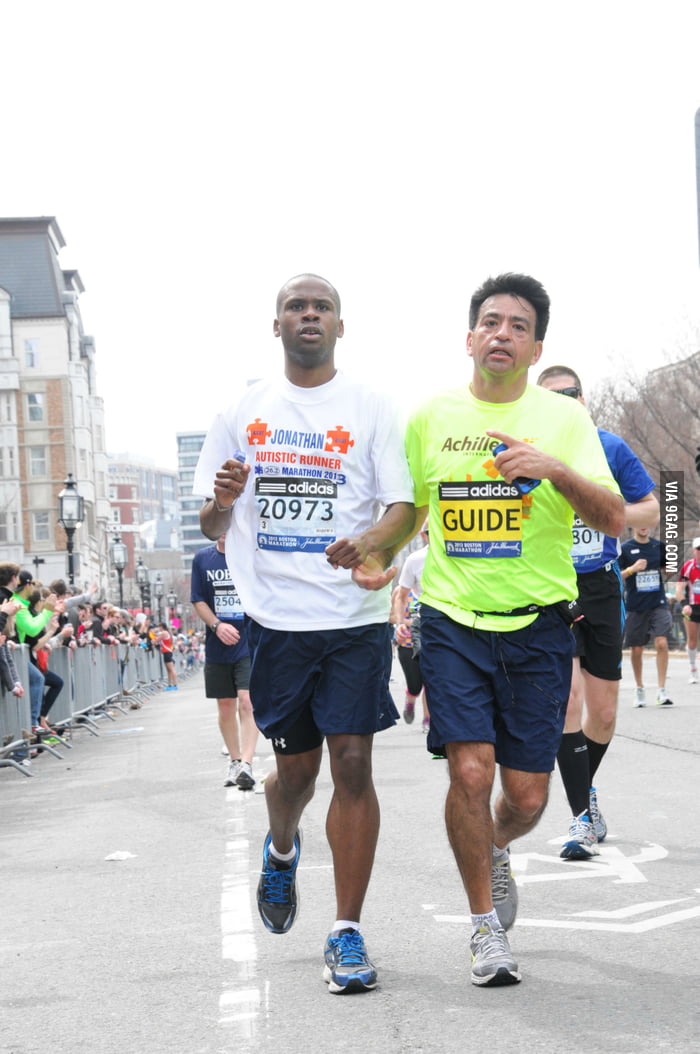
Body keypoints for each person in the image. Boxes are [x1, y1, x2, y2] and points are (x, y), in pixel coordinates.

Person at [193, 273, 414, 995]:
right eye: (297, 305)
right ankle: (281, 847)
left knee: (352, 766)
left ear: (339, 327)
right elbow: (211, 525)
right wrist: (223, 503)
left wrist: (372, 545)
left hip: (351, 620)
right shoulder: (242, 408)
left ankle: (346, 933)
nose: (309, 314)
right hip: (278, 620)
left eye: (322, 307)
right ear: (277, 323)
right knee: (296, 774)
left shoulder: (373, 406)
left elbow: (403, 505)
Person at [404, 273, 624, 988]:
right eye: (491, 321)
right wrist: (379, 561)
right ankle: (483, 929)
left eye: (518, 325)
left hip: (537, 627)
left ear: (535, 348)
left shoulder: (565, 421)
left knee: (527, 797)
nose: (502, 332)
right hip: (452, 619)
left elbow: (614, 518)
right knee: (470, 769)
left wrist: (554, 469)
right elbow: (409, 512)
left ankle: (492, 847)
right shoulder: (429, 417)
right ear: (470, 338)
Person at [537, 366, 659, 858]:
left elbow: (651, 510)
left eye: (572, 394)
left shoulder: (609, 447)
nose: (565, 402)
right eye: (553, 397)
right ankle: (579, 819)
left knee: (603, 715)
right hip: (551, 587)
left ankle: (584, 789)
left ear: (584, 399)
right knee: (567, 704)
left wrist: (609, 512)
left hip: (602, 587)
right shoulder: (532, 452)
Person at [190, 534, 258, 789]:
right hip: (218, 642)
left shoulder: (249, 554)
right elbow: (198, 599)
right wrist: (217, 625)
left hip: (248, 639)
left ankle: (247, 764)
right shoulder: (202, 559)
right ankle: (235, 759)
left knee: (248, 700)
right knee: (226, 705)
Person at [620, 527, 673, 706]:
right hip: (636, 606)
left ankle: (661, 690)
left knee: (662, 643)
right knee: (636, 649)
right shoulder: (625, 548)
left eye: (646, 522)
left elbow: (669, 571)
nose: (643, 526)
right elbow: (615, 577)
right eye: (639, 522)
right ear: (633, 524)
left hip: (658, 602)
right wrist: (632, 569)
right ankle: (640, 688)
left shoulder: (659, 546)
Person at [391, 523, 430, 731]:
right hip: (408, 640)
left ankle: (428, 720)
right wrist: (400, 624)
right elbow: (398, 601)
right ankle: (410, 698)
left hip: (432, 631)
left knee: (430, 681)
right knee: (416, 684)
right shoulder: (414, 563)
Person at [677, 537, 700, 683]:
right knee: (692, 640)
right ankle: (692, 670)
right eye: (699, 549)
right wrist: (685, 604)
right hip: (692, 607)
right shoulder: (688, 566)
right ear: (693, 551)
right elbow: (679, 589)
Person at [153, 621, 178, 689]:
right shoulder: (166, 633)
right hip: (166, 652)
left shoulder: (164, 633)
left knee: (171, 669)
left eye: (159, 626)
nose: (158, 628)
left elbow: (157, 640)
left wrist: (153, 639)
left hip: (167, 652)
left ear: (162, 627)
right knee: (168, 670)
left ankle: (175, 684)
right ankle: (169, 684)